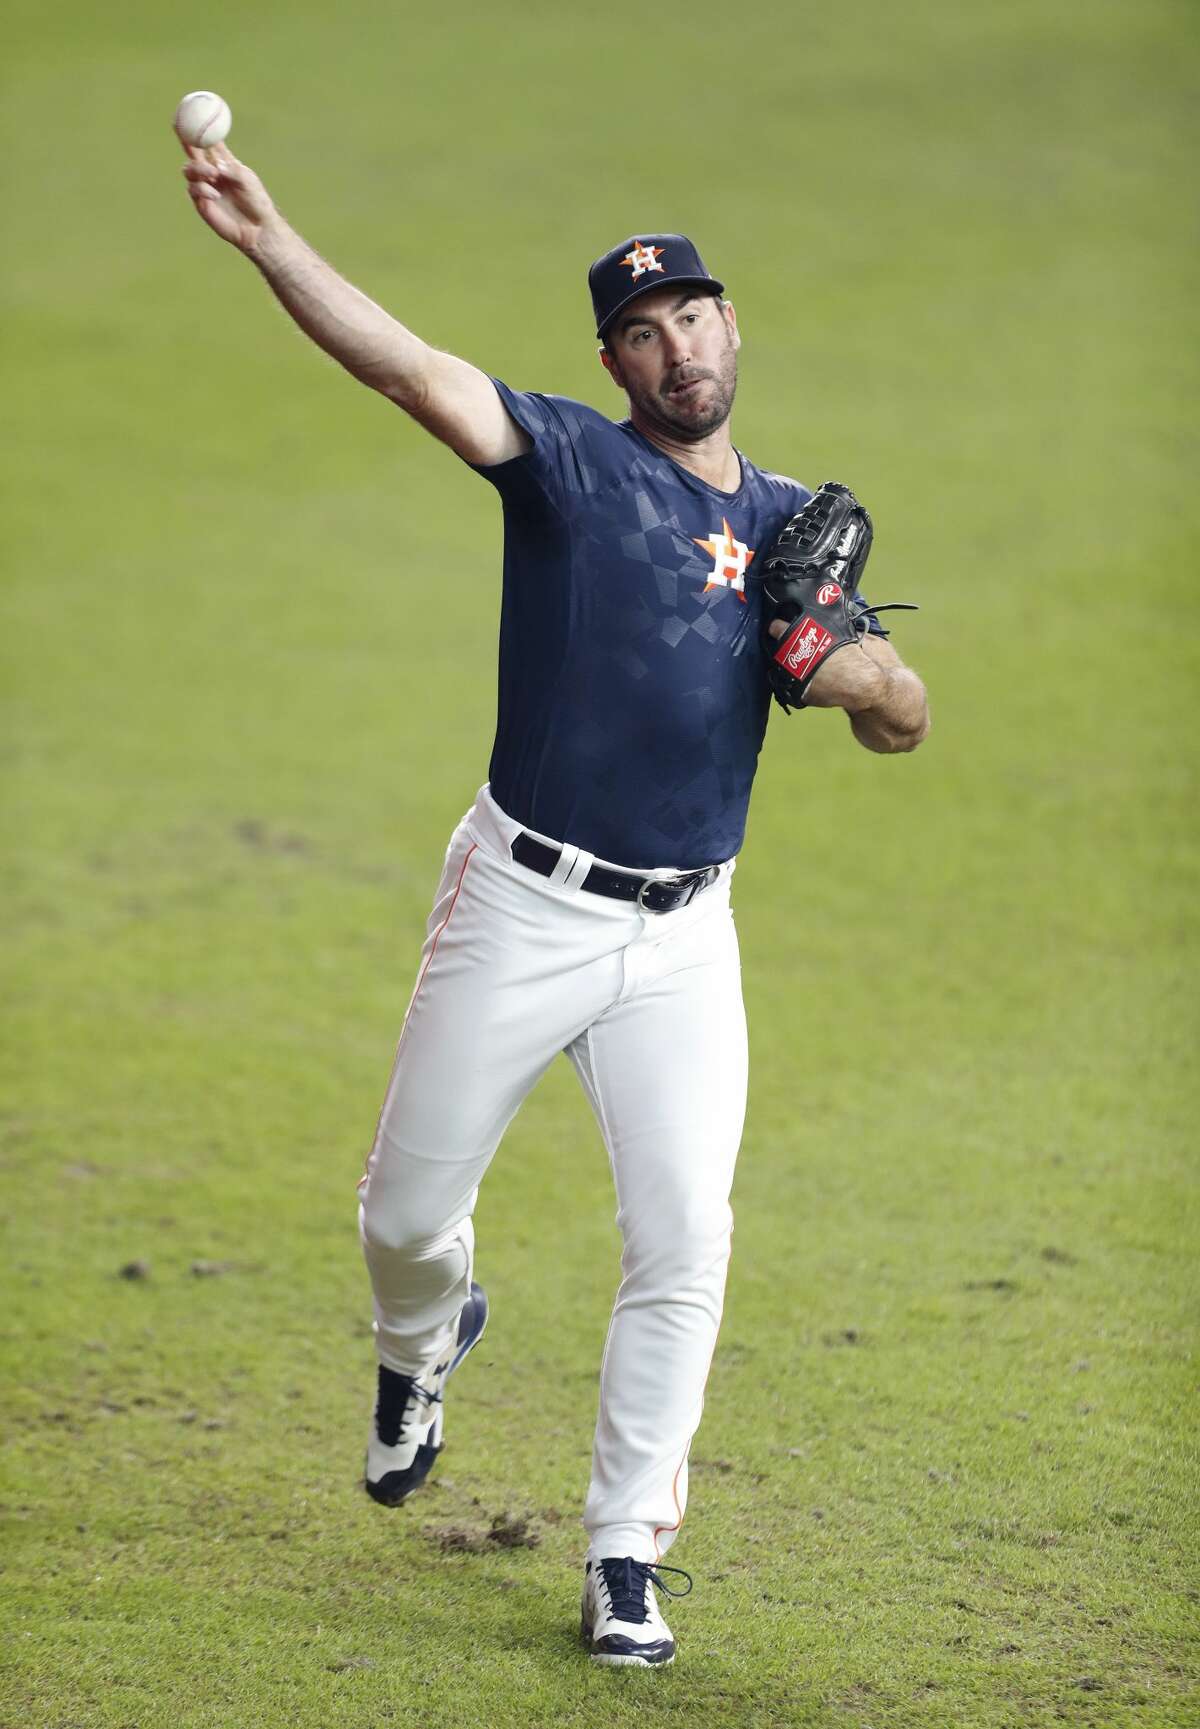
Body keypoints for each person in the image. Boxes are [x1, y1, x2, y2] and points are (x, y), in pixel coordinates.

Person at [181, 139, 930, 1668]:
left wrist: (839, 660)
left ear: (734, 328)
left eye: (696, 317)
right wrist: (272, 240)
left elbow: (901, 712)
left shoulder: (796, 526)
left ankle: (623, 1554)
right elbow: (406, 368)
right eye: (645, 331)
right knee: (402, 1215)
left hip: (683, 938)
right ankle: (422, 1338)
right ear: (616, 360)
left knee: (685, 1239)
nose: (677, 346)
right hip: (521, 900)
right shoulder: (569, 463)